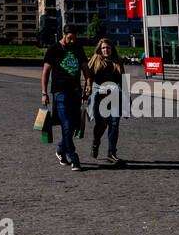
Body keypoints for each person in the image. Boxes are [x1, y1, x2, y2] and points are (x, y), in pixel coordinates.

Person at [41, 31, 90, 171]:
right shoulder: (53, 49)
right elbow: (45, 72)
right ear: (63, 34)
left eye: (74, 38)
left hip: (76, 92)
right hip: (60, 93)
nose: (72, 41)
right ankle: (74, 158)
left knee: (74, 125)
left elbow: (86, 69)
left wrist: (89, 84)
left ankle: (61, 150)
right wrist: (44, 93)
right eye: (70, 38)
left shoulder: (78, 48)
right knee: (66, 125)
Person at [86, 38, 125, 164]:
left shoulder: (118, 61)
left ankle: (111, 153)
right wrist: (85, 94)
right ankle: (95, 143)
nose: (105, 50)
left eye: (108, 47)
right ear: (100, 49)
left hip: (115, 96)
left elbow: (123, 80)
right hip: (100, 97)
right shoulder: (95, 60)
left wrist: (127, 97)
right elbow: (88, 78)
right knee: (102, 124)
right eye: (103, 48)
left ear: (112, 48)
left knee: (114, 125)